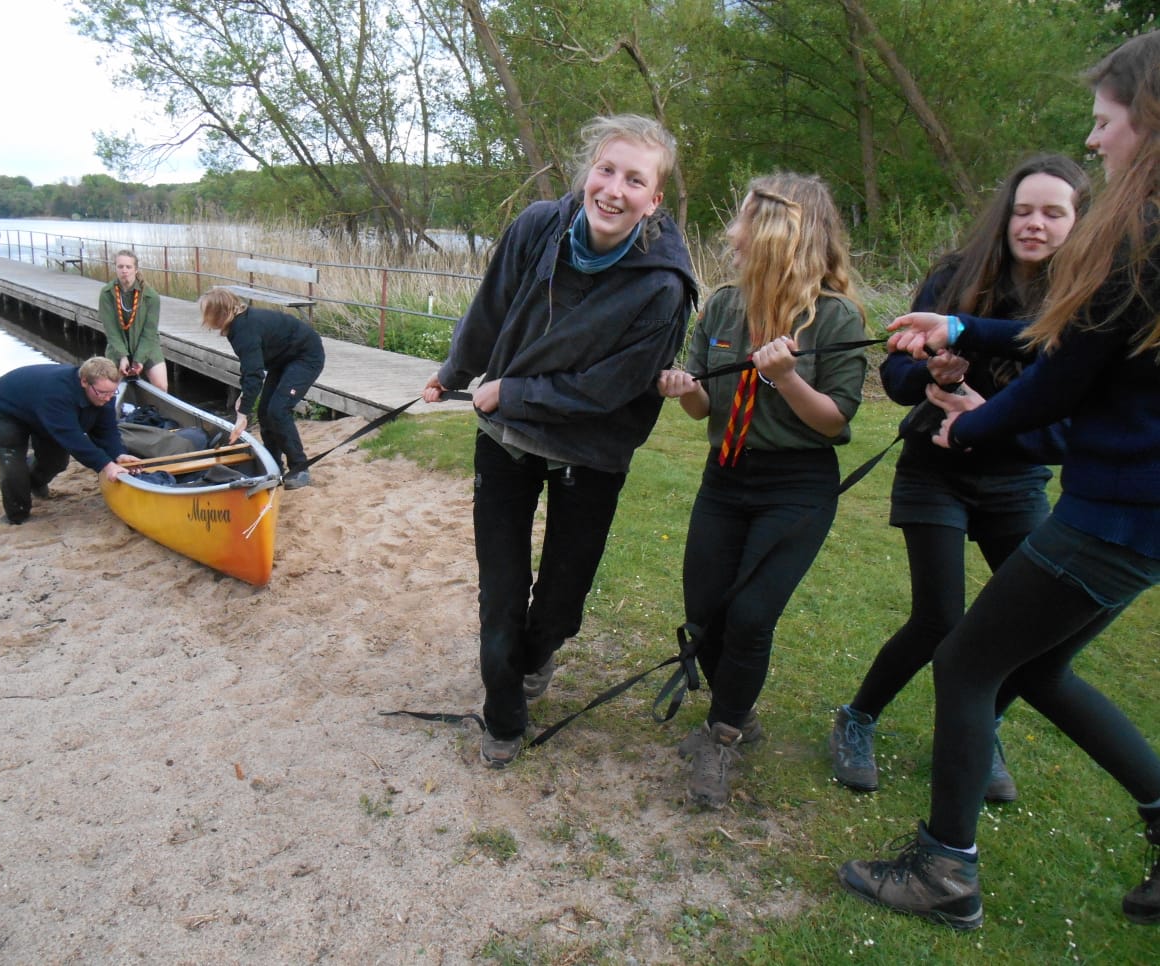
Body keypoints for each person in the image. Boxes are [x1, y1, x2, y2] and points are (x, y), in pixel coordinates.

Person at [839, 30, 1160, 930]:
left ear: (1149, 119)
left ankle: (945, 869)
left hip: (1114, 513)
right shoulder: (1135, 240)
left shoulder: (1142, 237)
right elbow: (1069, 340)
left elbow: (1061, 379)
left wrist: (969, 423)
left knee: (967, 660)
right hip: (1137, 519)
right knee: (1042, 670)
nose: (1094, 138)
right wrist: (960, 328)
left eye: (1105, 121)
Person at [420, 114, 698, 769]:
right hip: (506, 438)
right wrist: (453, 373)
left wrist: (512, 392)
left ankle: (540, 652)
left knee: (559, 606)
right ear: (587, 174)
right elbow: (490, 308)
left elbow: (609, 388)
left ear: (654, 200)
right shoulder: (538, 226)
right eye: (606, 170)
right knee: (501, 596)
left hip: (591, 448)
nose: (614, 190)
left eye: (635, 180)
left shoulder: (664, 288)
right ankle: (503, 716)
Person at [830, 155, 1090, 800]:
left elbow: (1069, 431)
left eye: (1052, 213)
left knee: (1029, 629)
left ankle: (982, 725)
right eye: (1022, 211)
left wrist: (987, 419)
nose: (1034, 224)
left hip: (1017, 482)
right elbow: (895, 378)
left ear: (1079, 222)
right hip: (934, 473)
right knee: (939, 618)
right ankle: (857, 718)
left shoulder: (1085, 303)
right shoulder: (955, 277)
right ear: (1004, 216)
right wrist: (932, 373)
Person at [656, 173, 868, 809]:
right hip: (724, 476)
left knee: (750, 616)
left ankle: (721, 735)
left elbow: (835, 422)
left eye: (743, 219)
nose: (731, 233)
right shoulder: (723, 307)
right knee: (704, 613)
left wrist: (788, 379)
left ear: (780, 231)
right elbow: (703, 406)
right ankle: (739, 712)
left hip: (795, 487)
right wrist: (685, 389)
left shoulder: (834, 318)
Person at [198, 287, 325, 490]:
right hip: (282, 359)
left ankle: (299, 468)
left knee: (278, 411)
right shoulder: (237, 326)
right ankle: (274, 466)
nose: (204, 318)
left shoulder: (244, 330)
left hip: (305, 356)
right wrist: (244, 396)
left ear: (219, 313)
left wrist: (242, 414)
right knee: (265, 412)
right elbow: (250, 367)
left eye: (206, 312)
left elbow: (255, 375)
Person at [0, 357, 138, 524]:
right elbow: (71, 437)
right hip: (8, 406)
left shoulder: (104, 393)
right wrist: (106, 465)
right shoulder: (57, 394)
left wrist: (118, 454)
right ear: (84, 382)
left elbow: (106, 429)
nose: (108, 398)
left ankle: (34, 483)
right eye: (102, 393)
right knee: (13, 464)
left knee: (57, 462)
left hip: (42, 408)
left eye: (112, 393)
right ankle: (16, 515)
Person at [99, 249, 168, 392]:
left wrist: (139, 360)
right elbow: (111, 330)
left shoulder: (150, 296)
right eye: (120, 266)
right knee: (109, 386)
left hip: (147, 346)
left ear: (135, 269)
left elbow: (150, 332)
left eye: (128, 267)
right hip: (118, 346)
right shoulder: (107, 293)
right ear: (115, 268)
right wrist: (122, 356)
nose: (124, 270)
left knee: (161, 386)